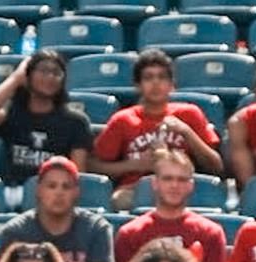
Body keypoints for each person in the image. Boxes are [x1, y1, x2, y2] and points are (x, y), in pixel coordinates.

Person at [91, 47, 223, 200]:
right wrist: (134, 165)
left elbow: (216, 166)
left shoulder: (189, 114)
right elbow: (94, 166)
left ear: (172, 84)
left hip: (184, 189)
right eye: (148, 77)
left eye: (162, 77)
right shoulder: (123, 120)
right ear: (138, 85)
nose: (155, 83)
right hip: (135, 191)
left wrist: (187, 132)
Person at [0, 156, 113, 262]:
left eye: (66, 187)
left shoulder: (96, 228)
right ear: (39, 190)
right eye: (51, 186)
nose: (59, 193)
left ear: (76, 192)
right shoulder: (15, 231)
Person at [0, 50, 92, 185]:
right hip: (13, 193)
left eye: (57, 73)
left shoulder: (76, 122)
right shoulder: (13, 114)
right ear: (28, 76)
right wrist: (16, 78)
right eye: (43, 71)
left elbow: (77, 175)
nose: (50, 77)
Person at [112, 147, 227, 262]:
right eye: (167, 179)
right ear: (155, 183)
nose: (174, 185)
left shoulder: (210, 232)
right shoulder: (130, 233)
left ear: (191, 186)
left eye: (182, 180)